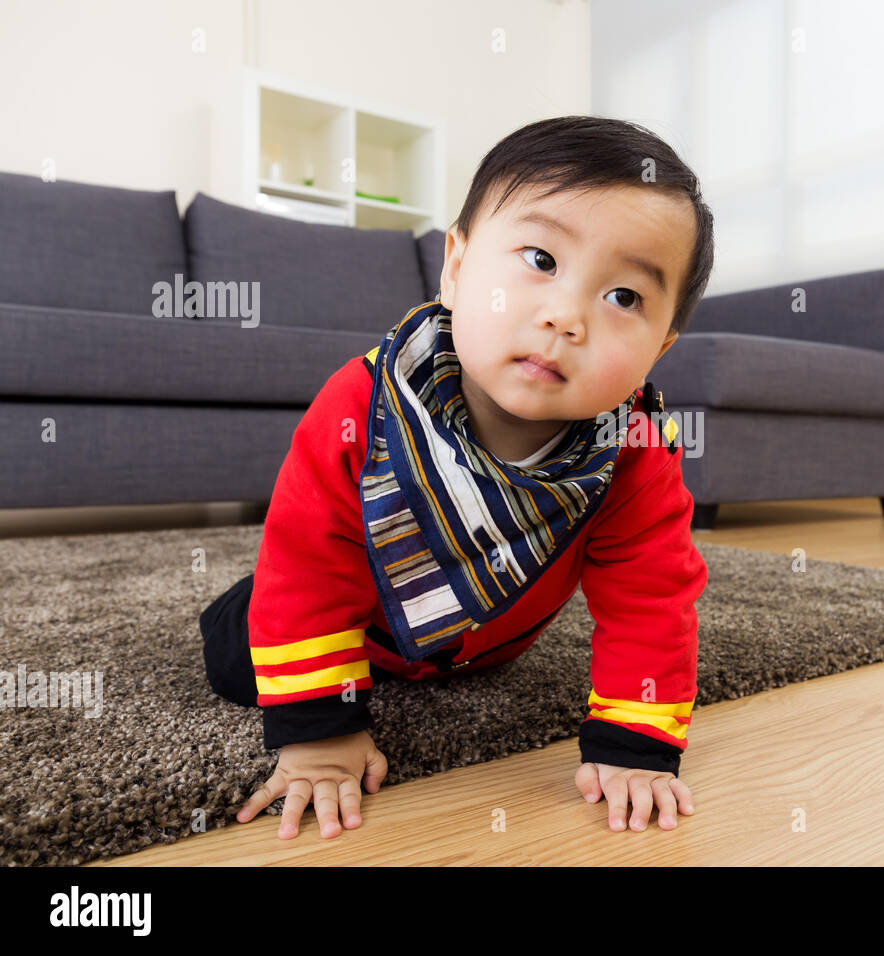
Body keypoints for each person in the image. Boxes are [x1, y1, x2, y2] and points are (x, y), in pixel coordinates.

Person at [198, 114, 715, 840]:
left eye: (623, 296)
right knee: (241, 654)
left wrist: (636, 748)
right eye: (540, 259)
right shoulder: (361, 403)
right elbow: (310, 563)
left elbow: (651, 596)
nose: (565, 316)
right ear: (457, 268)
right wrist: (317, 739)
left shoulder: (632, 449)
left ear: (659, 348)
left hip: (485, 637)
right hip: (352, 605)